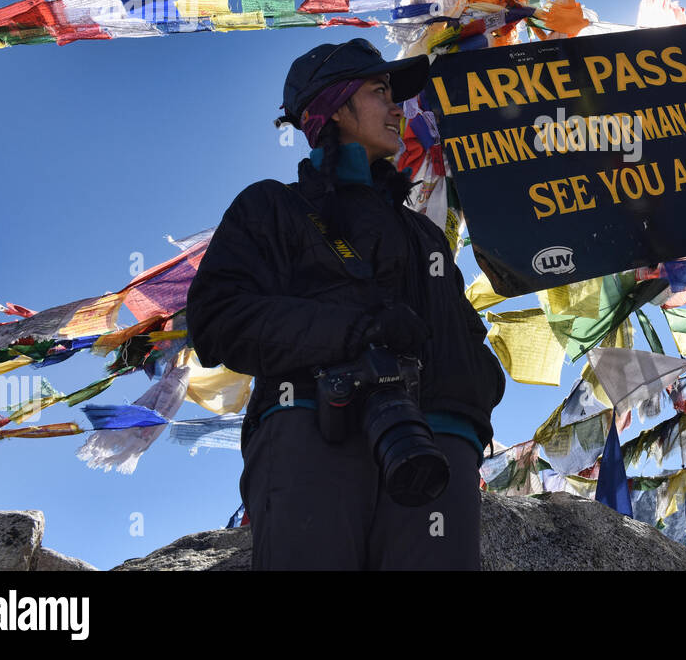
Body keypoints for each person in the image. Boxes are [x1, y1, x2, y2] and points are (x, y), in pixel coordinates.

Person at [187, 37, 506, 570]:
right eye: (381, 91)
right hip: (314, 430)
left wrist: (472, 398)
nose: (399, 107)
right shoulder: (272, 208)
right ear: (334, 108)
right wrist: (355, 332)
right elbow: (218, 319)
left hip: (433, 451)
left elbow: (465, 332)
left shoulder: (426, 237)